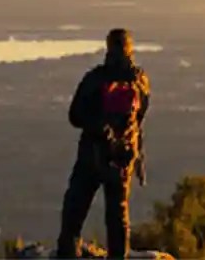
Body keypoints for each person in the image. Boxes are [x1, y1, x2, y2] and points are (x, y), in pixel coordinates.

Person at [55, 28, 150, 259]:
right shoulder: (140, 80)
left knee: (74, 213)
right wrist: (138, 156)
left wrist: (97, 125)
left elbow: (74, 116)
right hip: (123, 159)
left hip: (92, 156)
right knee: (118, 217)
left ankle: (68, 255)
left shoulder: (96, 79)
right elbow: (139, 119)